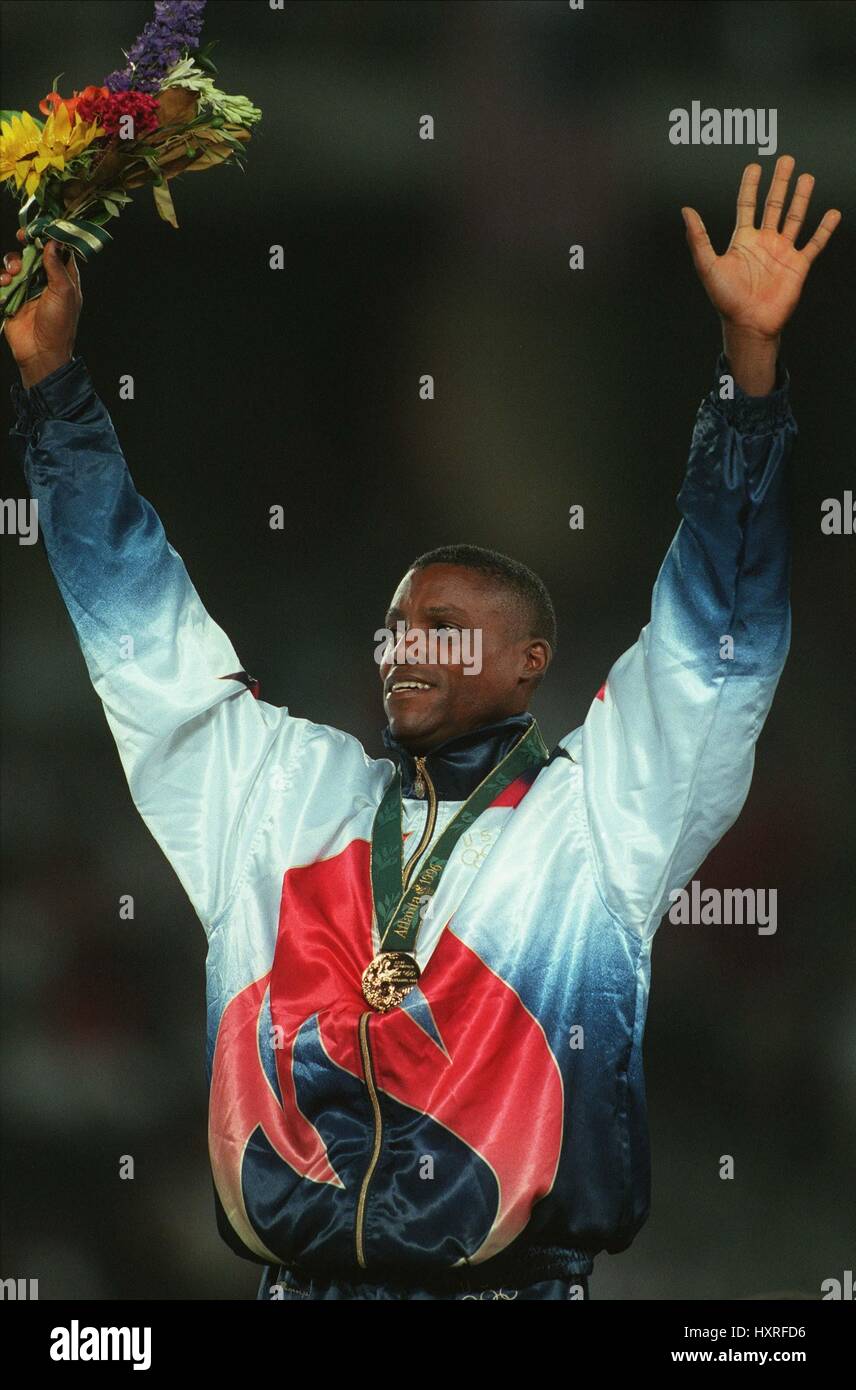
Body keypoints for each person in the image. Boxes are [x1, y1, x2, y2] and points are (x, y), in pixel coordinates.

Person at [2, 157, 839, 1301]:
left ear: (532, 663)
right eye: (396, 626)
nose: (406, 645)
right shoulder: (280, 800)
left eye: (446, 626)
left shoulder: (594, 825)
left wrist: (748, 384)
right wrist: (55, 388)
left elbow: (717, 645)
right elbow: (142, 632)